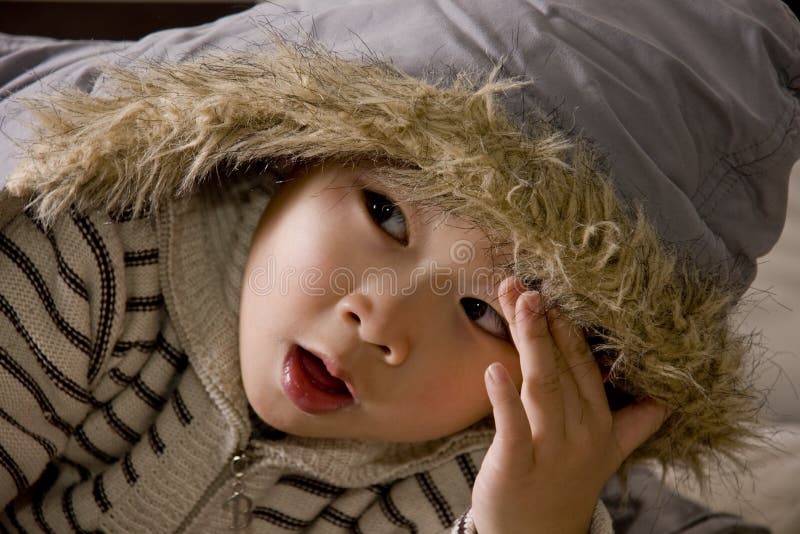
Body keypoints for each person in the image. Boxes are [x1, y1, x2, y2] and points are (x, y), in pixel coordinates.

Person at [0, 1, 797, 532]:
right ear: (297, 151)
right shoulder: (97, 250)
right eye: (385, 214)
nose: (380, 319)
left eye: (485, 312)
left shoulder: (501, 486)